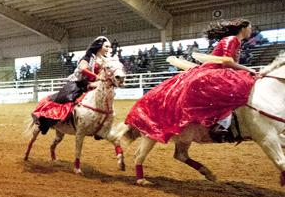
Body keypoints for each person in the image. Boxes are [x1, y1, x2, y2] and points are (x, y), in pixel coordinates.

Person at [124, 18, 257, 144]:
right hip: (214, 71)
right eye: (249, 27)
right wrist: (247, 69)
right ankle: (221, 124)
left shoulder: (237, 42)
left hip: (220, 70)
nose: (251, 30)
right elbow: (227, 61)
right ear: (243, 28)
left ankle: (227, 123)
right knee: (234, 89)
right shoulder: (232, 39)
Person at [32, 36, 111, 134]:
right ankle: (47, 121)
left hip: (93, 83)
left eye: (109, 47)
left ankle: (99, 127)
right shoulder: (88, 57)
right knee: (66, 98)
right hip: (79, 83)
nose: (108, 49)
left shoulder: (105, 60)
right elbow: (83, 69)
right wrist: (96, 77)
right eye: (106, 46)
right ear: (99, 46)